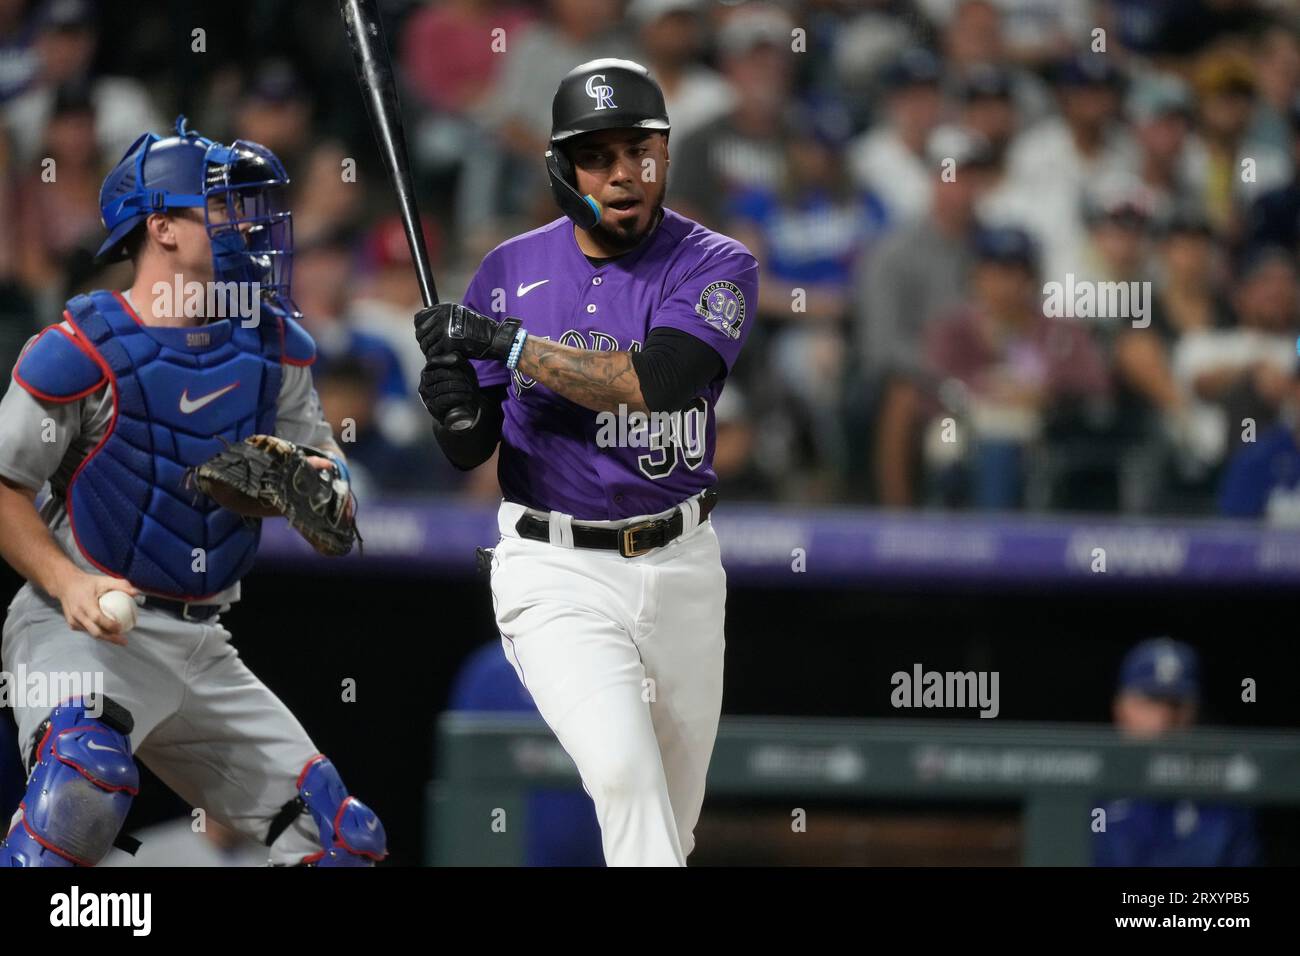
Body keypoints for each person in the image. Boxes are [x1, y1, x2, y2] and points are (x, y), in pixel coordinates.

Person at [0, 118, 384, 866]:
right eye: (224, 206)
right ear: (163, 227)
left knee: (341, 842)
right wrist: (67, 581)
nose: (248, 224)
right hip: (77, 630)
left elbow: (328, 483)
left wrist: (312, 488)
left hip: (203, 641)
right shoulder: (80, 348)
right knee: (81, 787)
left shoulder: (273, 345)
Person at [416, 59, 756, 866]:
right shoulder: (508, 270)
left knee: (672, 826)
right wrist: (452, 398)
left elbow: (660, 386)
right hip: (555, 569)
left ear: (666, 155)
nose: (623, 174)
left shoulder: (717, 263)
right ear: (564, 170)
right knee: (624, 776)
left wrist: (504, 346)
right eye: (598, 156)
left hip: (681, 565)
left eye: (640, 151)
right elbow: (471, 445)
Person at [1094, 638, 1259, 867]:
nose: (1164, 719)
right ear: (1120, 707)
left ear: (1195, 711)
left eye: (1176, 703)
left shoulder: (1224, 799)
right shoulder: (1088, 790)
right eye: (1151, 700)